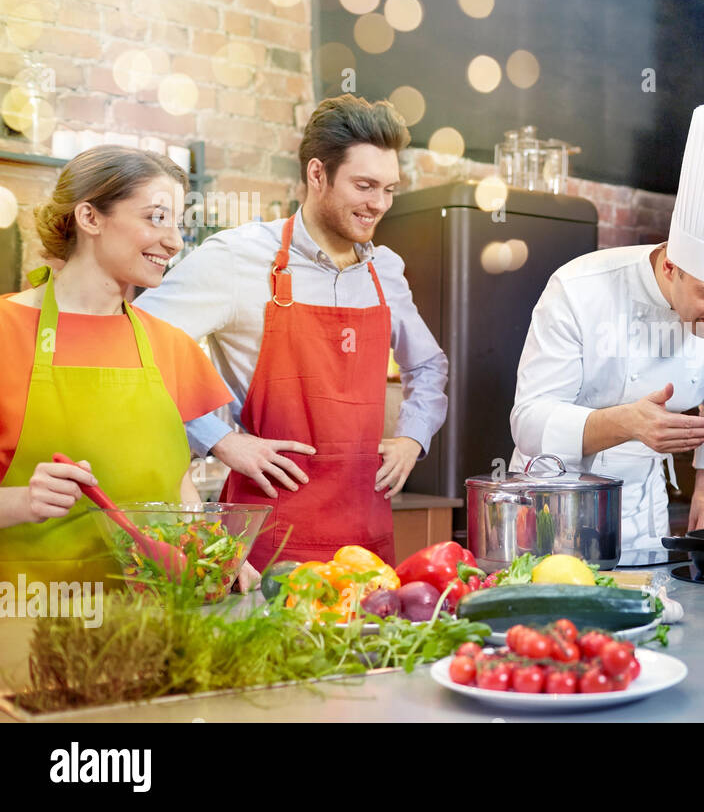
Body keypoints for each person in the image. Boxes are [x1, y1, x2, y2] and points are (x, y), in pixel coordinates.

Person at [135, 95, 449, 570]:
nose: (379, 205)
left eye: (389, 189)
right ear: (317, 174)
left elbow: (428, 365)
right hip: (267, 541)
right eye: (365, 186)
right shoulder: (236, 259)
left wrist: (413, 438)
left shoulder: (385, 270)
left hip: (367, 543)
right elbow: (135, 343)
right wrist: (219, 439)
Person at [511, 100, 704, 565]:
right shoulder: (580, 288)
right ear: (671, 265)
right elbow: (528, 422)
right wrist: (627, 422)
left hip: (645, 513)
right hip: (554, 502)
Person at [0, 147, 232, 584]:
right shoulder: (5, 332)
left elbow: (179, 487)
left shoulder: (171, 345)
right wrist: (22, 502)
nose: (175, 241)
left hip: (157, 614)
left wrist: (212, 558)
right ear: (90, 218)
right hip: (27, 620)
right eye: (156, 217)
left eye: (177, 223)